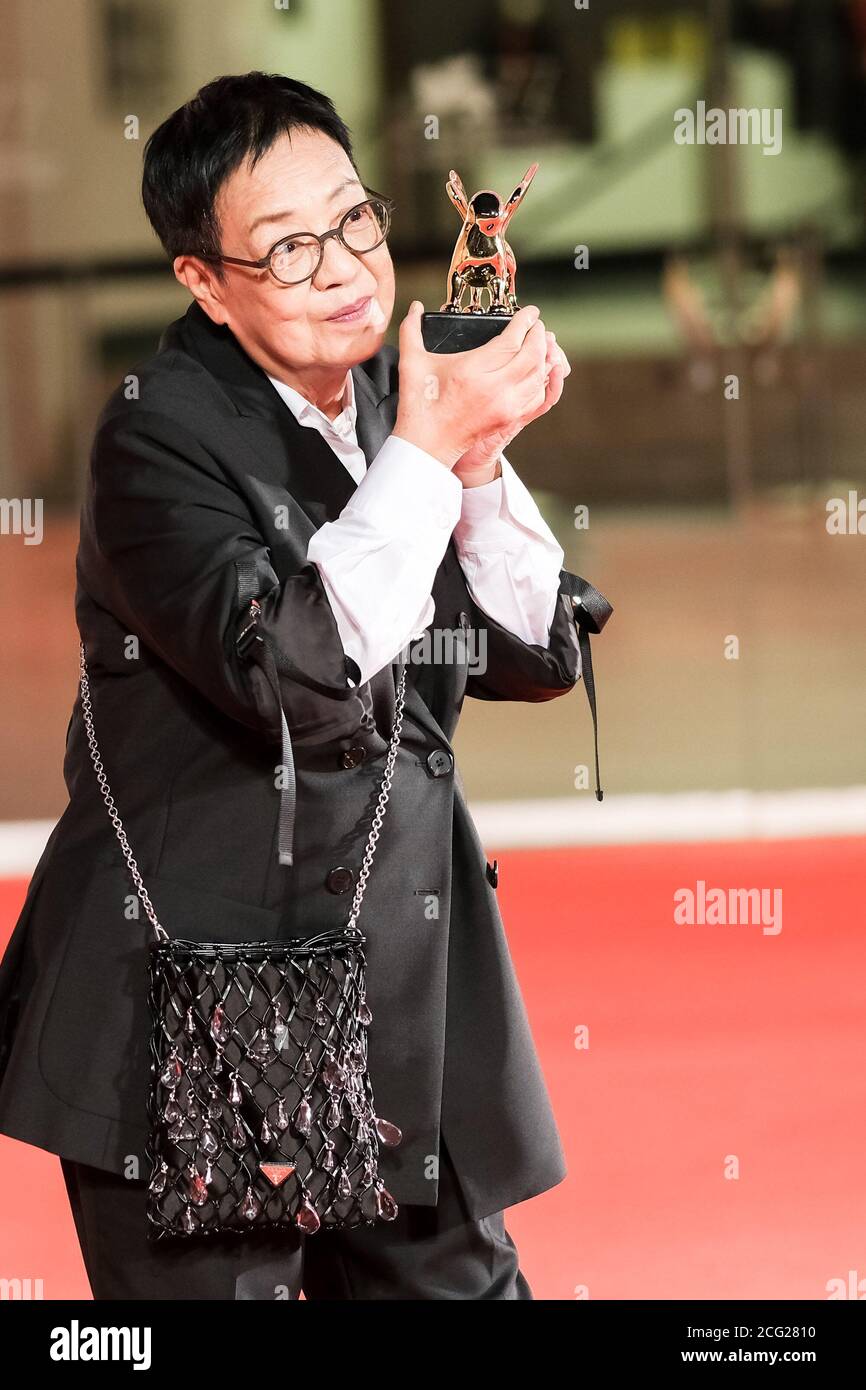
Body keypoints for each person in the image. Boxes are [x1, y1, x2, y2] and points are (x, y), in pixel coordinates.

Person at [0, 71, 584, 1300]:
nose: (341, 267)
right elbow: (294, 672)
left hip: (391, 991)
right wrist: (426, 455)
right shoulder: (153, 435)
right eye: (286, 247)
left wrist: (470, 463)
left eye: (353, 220)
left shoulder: (389, 397)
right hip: (198, 1006)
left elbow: (530, 650)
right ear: (203, 283)